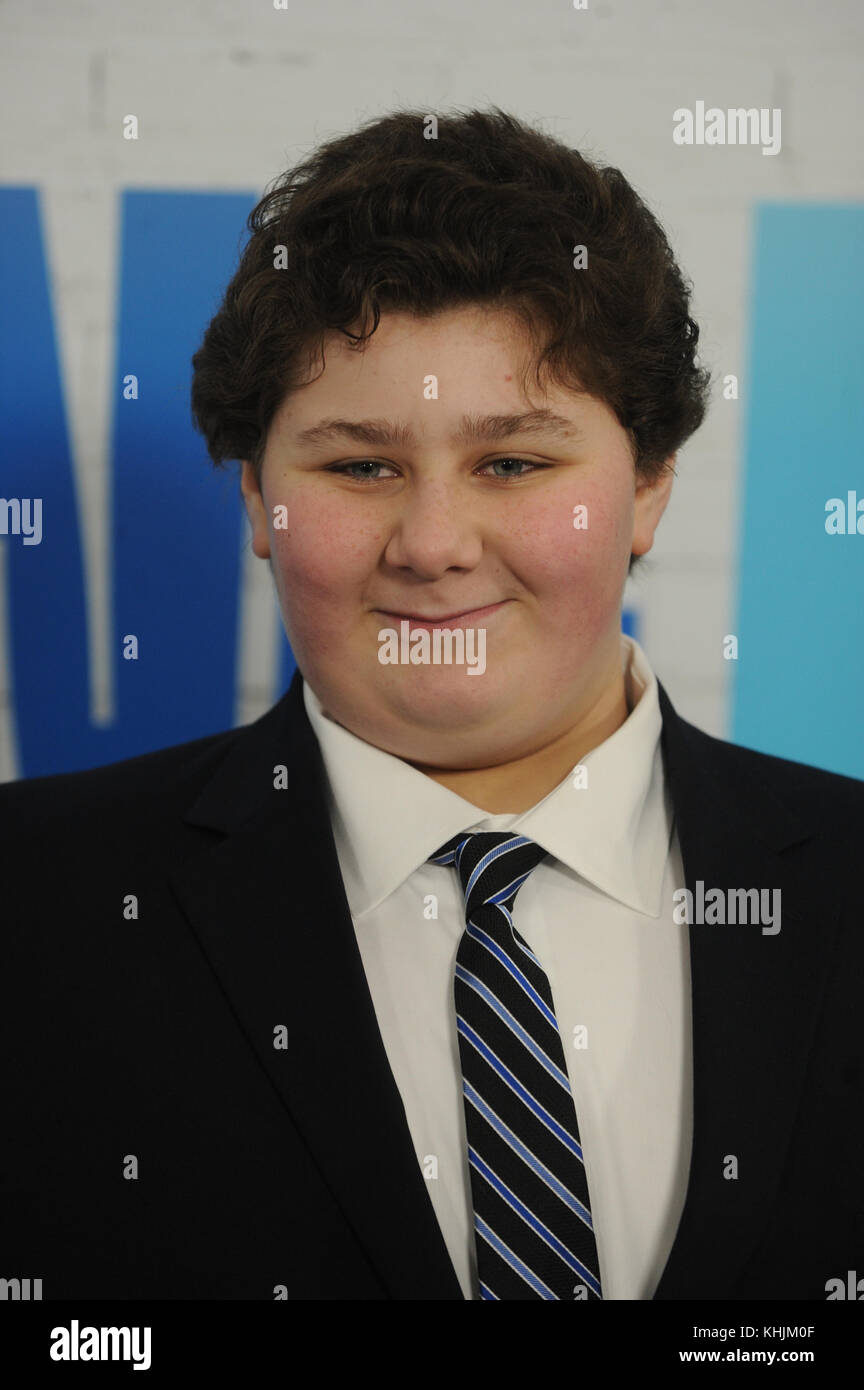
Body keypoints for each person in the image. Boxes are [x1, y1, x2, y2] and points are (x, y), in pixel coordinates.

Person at [1, 108, 861, 1302]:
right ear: (257, 499)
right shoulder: (33, 903)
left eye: (513, 463)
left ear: (651, 487)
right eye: (361, 466)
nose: (434, 545)